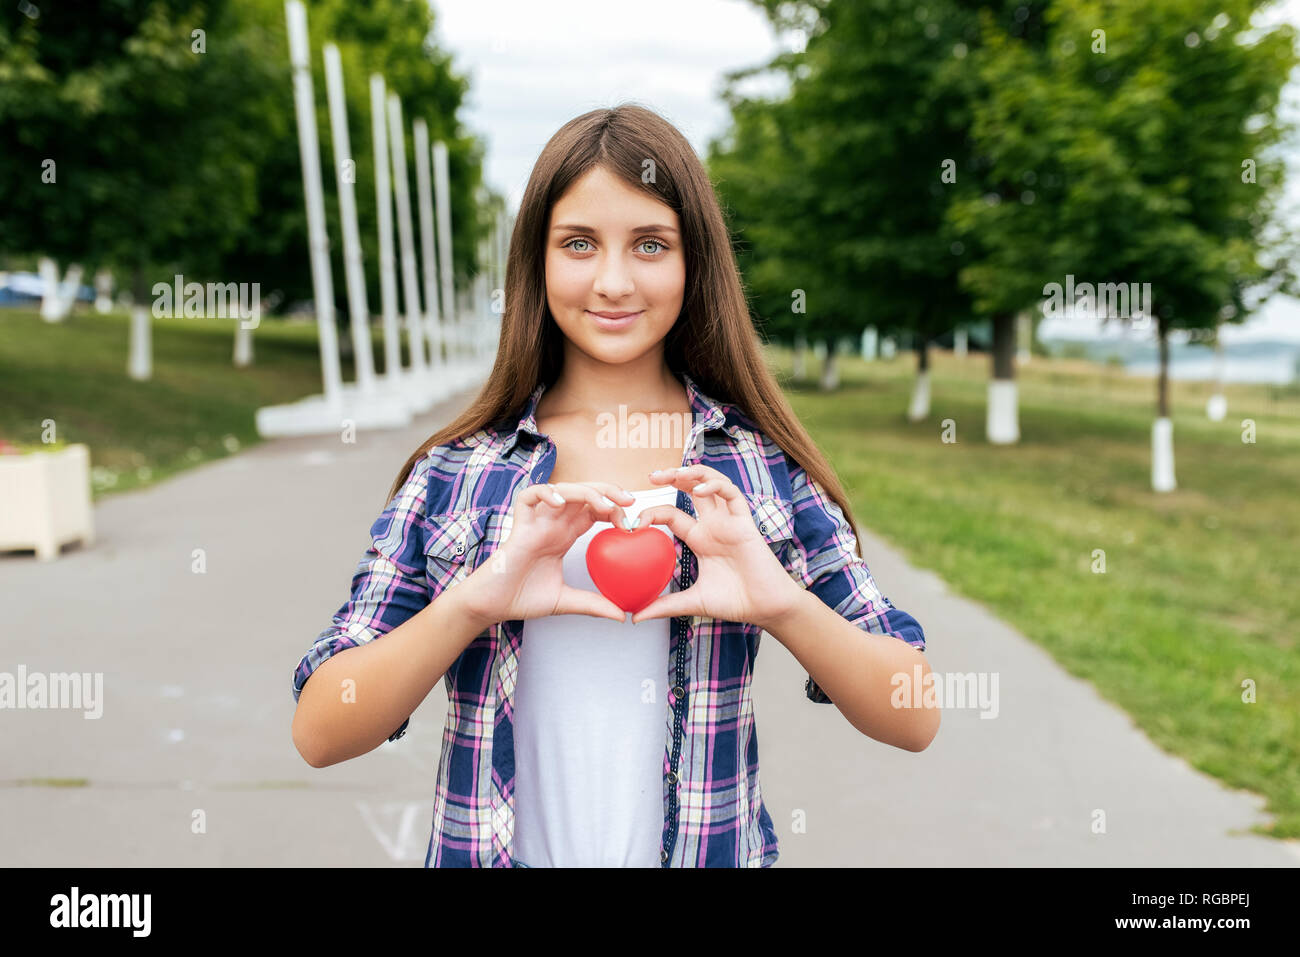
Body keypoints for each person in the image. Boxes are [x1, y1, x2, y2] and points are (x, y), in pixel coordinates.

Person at [290, 103, 938, 868]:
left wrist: (782, 604)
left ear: (694, 262)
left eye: (651, 244)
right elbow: (322, 730)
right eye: (578, 243)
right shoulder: (456, 471)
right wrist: (473, 602)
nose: (613, 280)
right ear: (536, 259)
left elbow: (914, 712)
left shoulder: (759, 466)